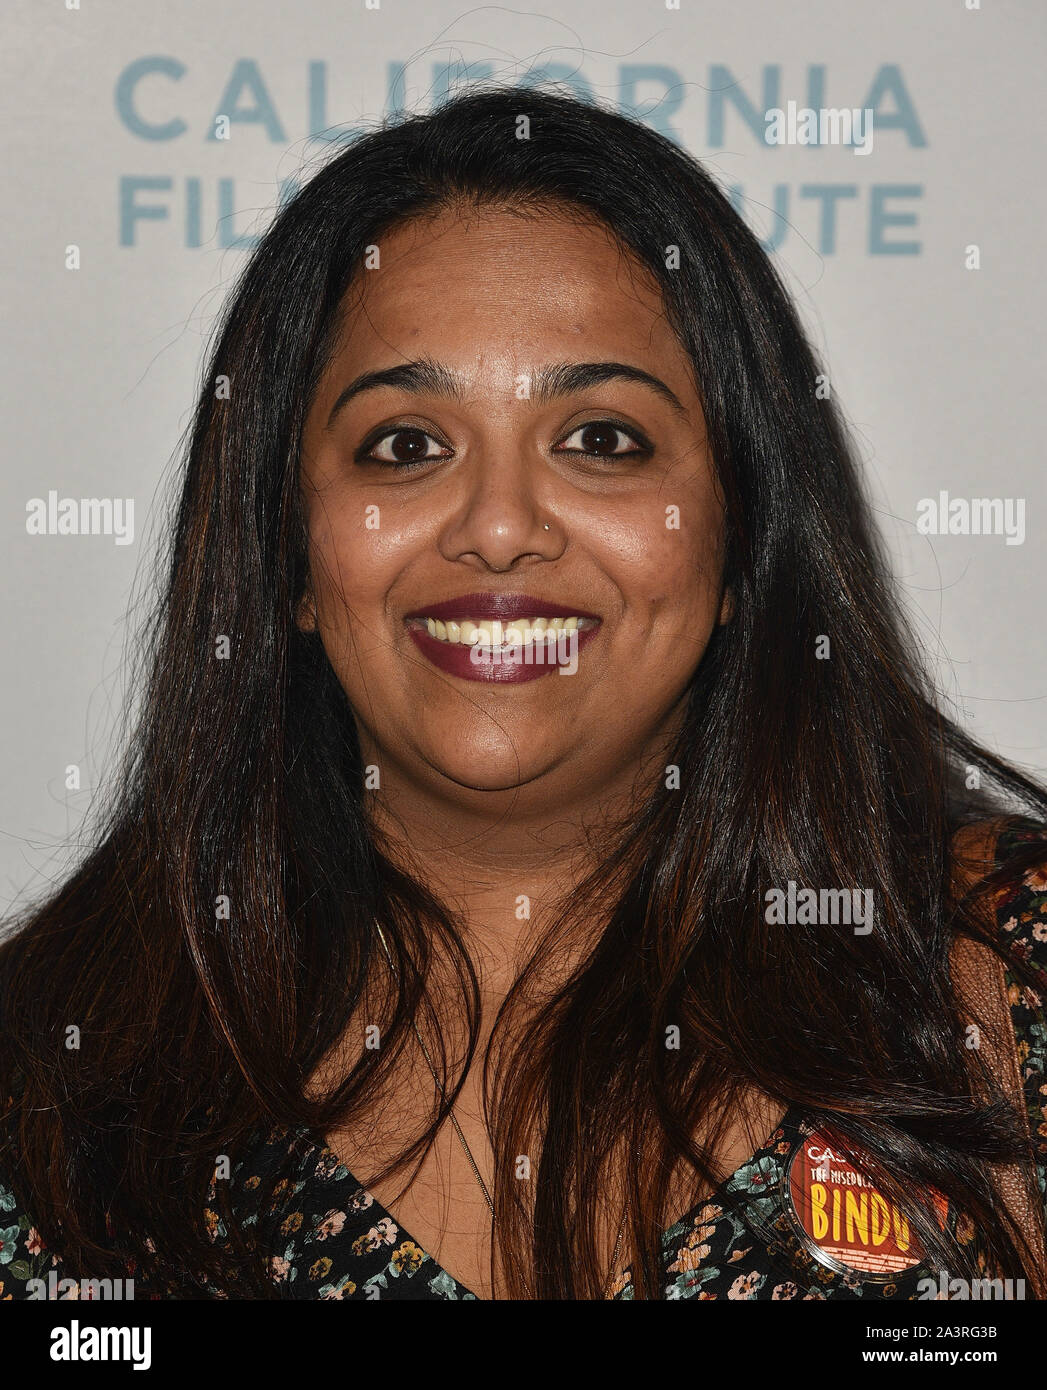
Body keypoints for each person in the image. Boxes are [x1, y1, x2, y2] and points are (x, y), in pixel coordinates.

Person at [1, 83, 1046, 1303]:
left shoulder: (1000, 979)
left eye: (602, 439)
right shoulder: (47, 1086)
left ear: (737, 549)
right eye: (406, 443)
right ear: (288, 553)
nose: (498, 529)